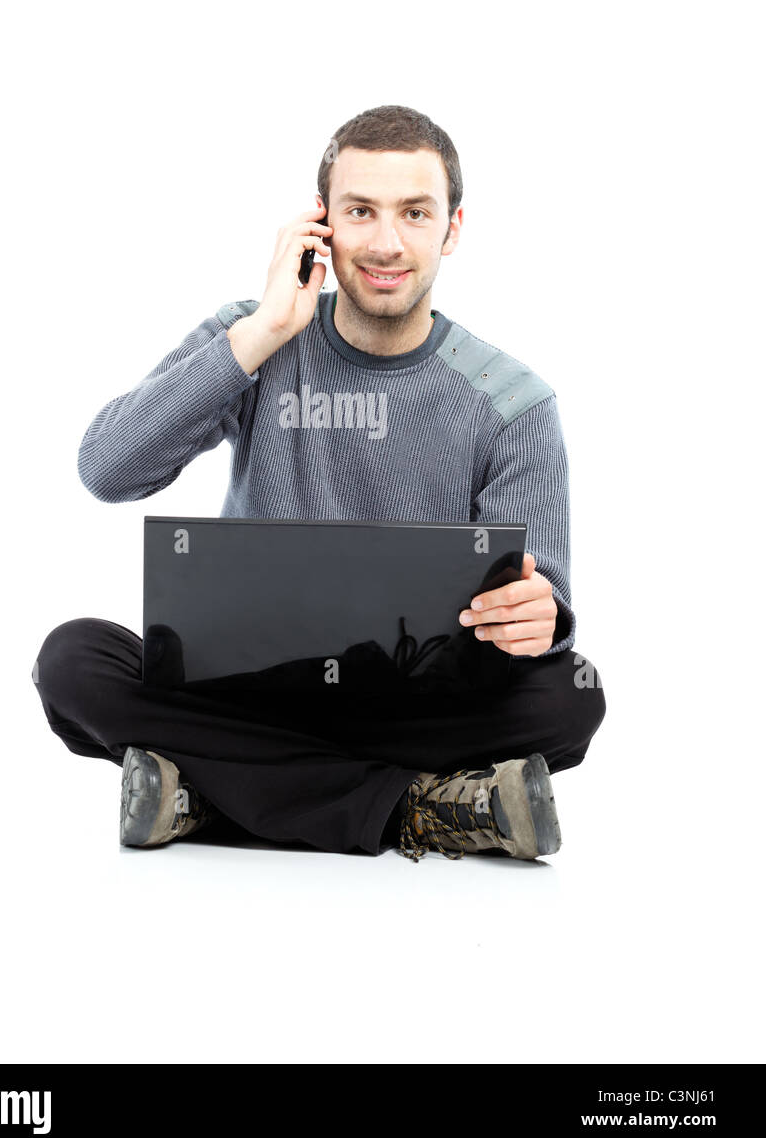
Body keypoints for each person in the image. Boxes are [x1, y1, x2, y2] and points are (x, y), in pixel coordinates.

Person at [31, 104, 605, 864]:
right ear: (320, 223)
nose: (387, 241)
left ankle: (209, 789)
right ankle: (420, 807)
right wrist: (265, 331)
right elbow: (107, 469)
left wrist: (543, 615)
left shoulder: (513, 403)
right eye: (360, 211)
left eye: (415, 213)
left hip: (414, 706)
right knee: (72, 661)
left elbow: (548, 604)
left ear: (452, 230)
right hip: (243, 687)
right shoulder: (252, 336)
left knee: (574, 693)